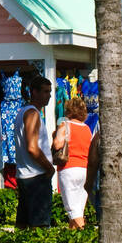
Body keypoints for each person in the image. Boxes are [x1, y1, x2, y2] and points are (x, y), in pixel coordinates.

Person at [14, 76, 55, 228]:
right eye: (45, 91)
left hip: (25, 175)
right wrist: (49, 168)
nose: (49, 95)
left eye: (49, 92)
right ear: (34, 92)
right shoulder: (33, 114)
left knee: (23, 225)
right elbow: (32, 147)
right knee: (40, 227)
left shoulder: (23, 112)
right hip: (36, 176)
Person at [53, 96, 93, 229]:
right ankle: (74, 240)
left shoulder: (65, 125)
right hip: (85, 170)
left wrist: (55, 136)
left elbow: (58, 144)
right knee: (78, 209)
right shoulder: (87, 129)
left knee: (72, 210)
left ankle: (84, 234)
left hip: (68, 168)